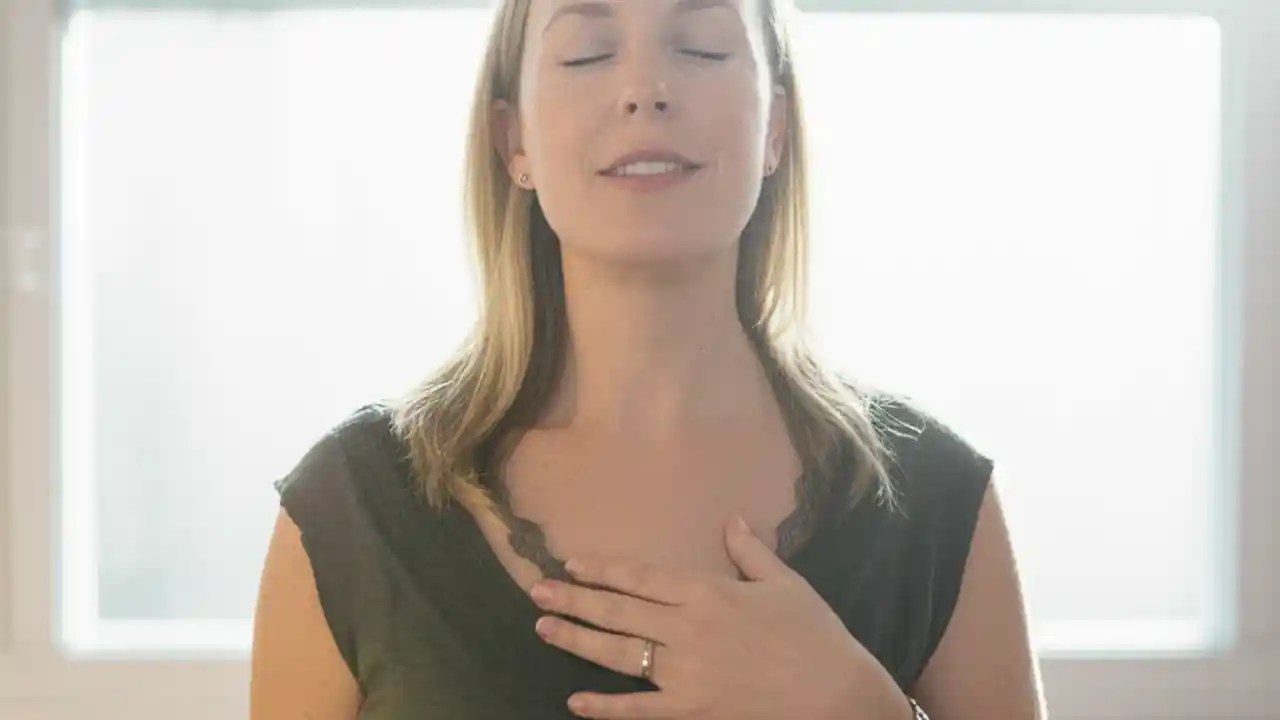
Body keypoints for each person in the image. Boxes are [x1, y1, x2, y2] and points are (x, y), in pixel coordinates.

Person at [250, 0, 1047, 717]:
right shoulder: (353, 510)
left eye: (700, 48)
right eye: (588, 54)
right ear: (512, 140)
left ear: (774, 127)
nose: (645, 90)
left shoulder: (939, 503)